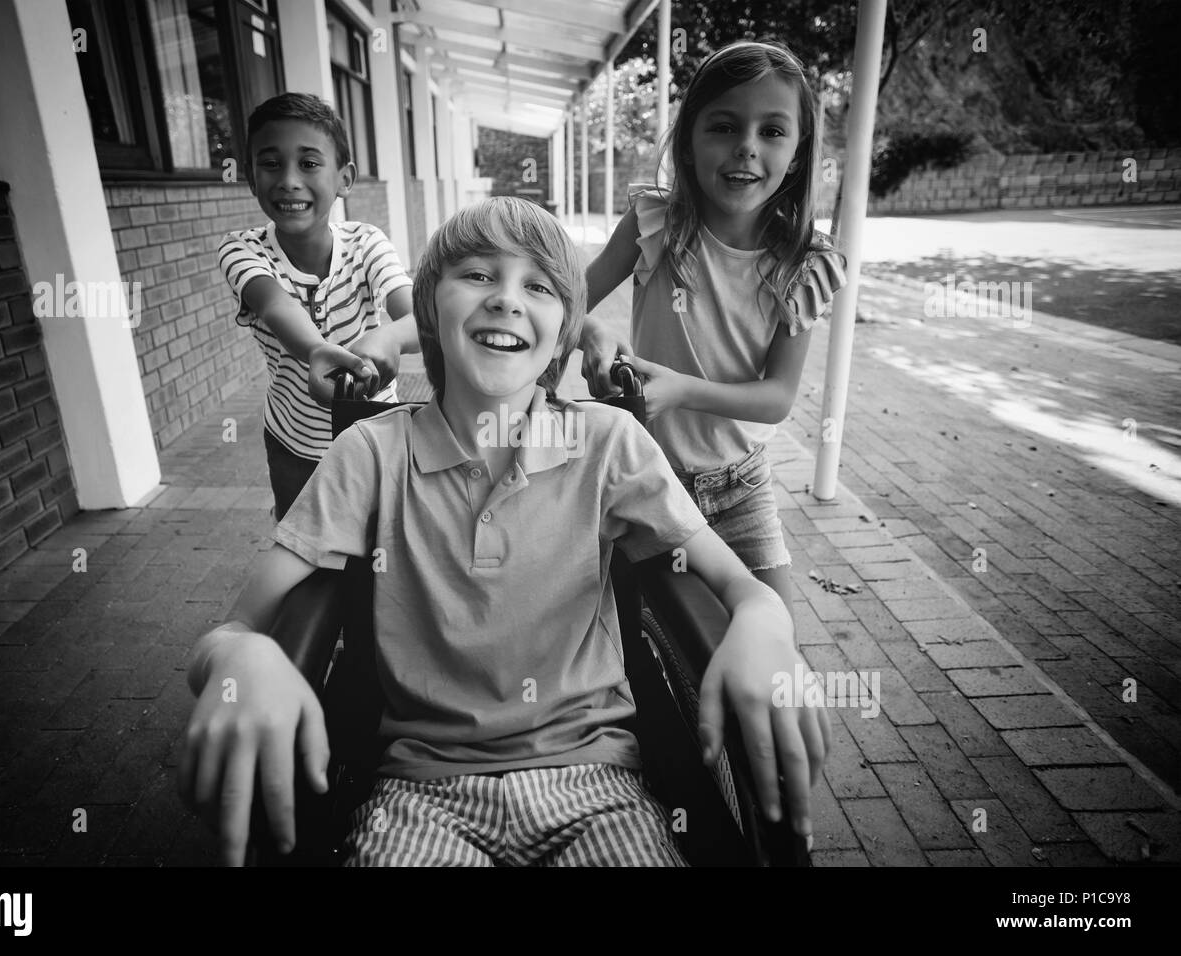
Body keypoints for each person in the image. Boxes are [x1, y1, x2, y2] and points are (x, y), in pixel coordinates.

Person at [180, 198, 829, 867]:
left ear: (565, 330)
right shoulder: (369, 455)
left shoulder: (607, 443)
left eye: (539, 286)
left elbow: (740, 587)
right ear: (427, 308)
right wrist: (242, 660)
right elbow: (233, 631)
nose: (507, 301)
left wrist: (763, 626)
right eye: (478, 275)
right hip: (419, 793)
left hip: (598, 784)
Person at [581, 41, 847, 621]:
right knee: (631, 643)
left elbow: (776, 398)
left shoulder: (804, 262)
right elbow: (563, 301)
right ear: (689, 139)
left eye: (773, 131)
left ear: (799, 153)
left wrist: (679, 389)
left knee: (778, 648)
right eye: (724, 126)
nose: (746, 147)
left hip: (744, 488)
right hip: (646, 478)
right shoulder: (655, 222)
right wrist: (590, 332)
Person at [218, 92, 417, 519]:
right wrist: (315, 351)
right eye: (270, 164)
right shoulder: (241, 250)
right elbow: (274, 305)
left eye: (309, 163)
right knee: (304, 548)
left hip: (376, 435)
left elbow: (422, 317)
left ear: (344, 178)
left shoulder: (366, 243)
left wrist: (389, 336)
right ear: (252, 178)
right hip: (295, 445)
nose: (289, 179)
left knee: (381, 545)